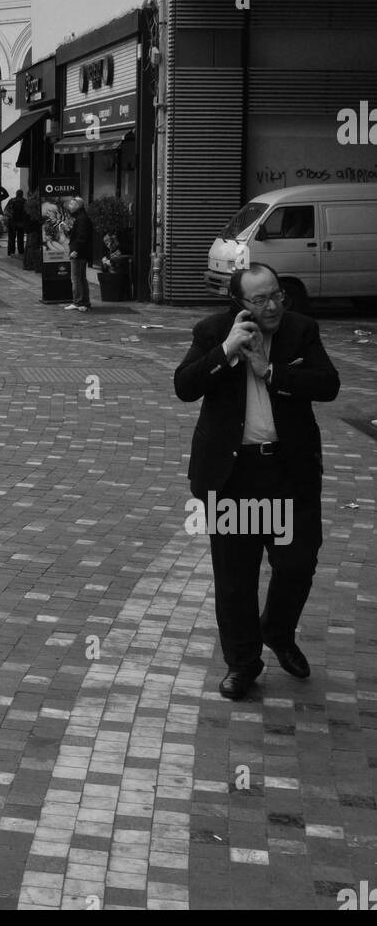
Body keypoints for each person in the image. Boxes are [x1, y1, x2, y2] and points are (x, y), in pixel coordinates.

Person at [174, 263, 340, 701]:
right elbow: (185, 387)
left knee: (297, 563)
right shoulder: (212, 331)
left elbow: (328, 385)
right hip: (235, 476)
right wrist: (226, 351)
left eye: (277, 295)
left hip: (288, 473)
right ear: (239, 304)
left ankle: (278, 631)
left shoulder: (300, 330)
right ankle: (242, 664)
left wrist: (271, 372)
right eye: (260, 299)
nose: (272, 306)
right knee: (235, 579)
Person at [64, 196, 93, 312]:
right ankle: (84, 301)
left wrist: (76, 250)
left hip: (78, 253)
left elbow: (82, 237)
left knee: (76, 278)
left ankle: (78, 301)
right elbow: (77, 234)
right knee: (81, 277)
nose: (69, 207)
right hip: (81, 251)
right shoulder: (81, 217)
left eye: (71, 204)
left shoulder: (81, 218)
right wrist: (68, 230)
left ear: (77, 206)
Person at [7, 189, 27, 257]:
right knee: (20, 237)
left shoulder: (12, 200)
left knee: (11, 238)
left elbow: (6, 211)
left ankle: (11, 251)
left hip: (12, 222)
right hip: (21, 222)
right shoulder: (25, 201)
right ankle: (21, 251)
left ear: (16, 194)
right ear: (22, 194)